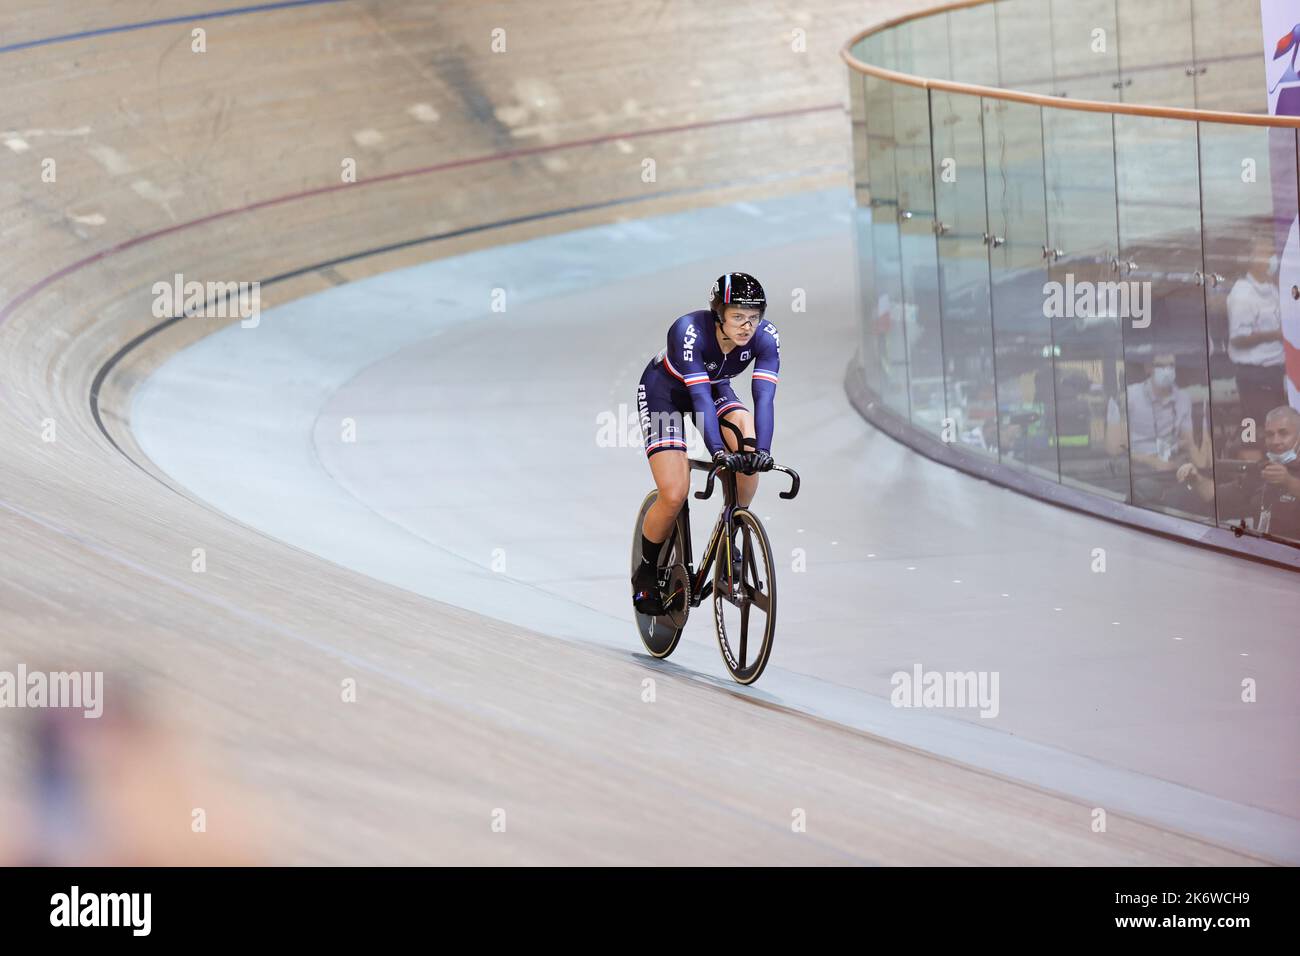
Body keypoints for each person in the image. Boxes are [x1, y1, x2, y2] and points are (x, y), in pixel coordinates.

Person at [631, 273, 781, 613]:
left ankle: (734, 527)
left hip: (714, 387)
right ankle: (645, 572)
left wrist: (762, 452)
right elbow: (698, 401)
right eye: (738, 316)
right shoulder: (688, 331)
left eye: (754, 317)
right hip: (665, 393)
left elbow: (764, 399)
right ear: (719, 314)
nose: (747, 326)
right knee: (674, 493)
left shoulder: (767, 338)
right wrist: (716, 452)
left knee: (746, 434)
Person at [1226, 235, 1287, 431]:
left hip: (1276, 372)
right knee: (1260, 430)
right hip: (1255, 376)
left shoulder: (1271, 288)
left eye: (1272, 252)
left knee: (1280, 428)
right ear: (1250, 259)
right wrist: (1274, 335)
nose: (1271, 257)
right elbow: (1238, 338)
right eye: (1265, 253)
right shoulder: (1242, 293)